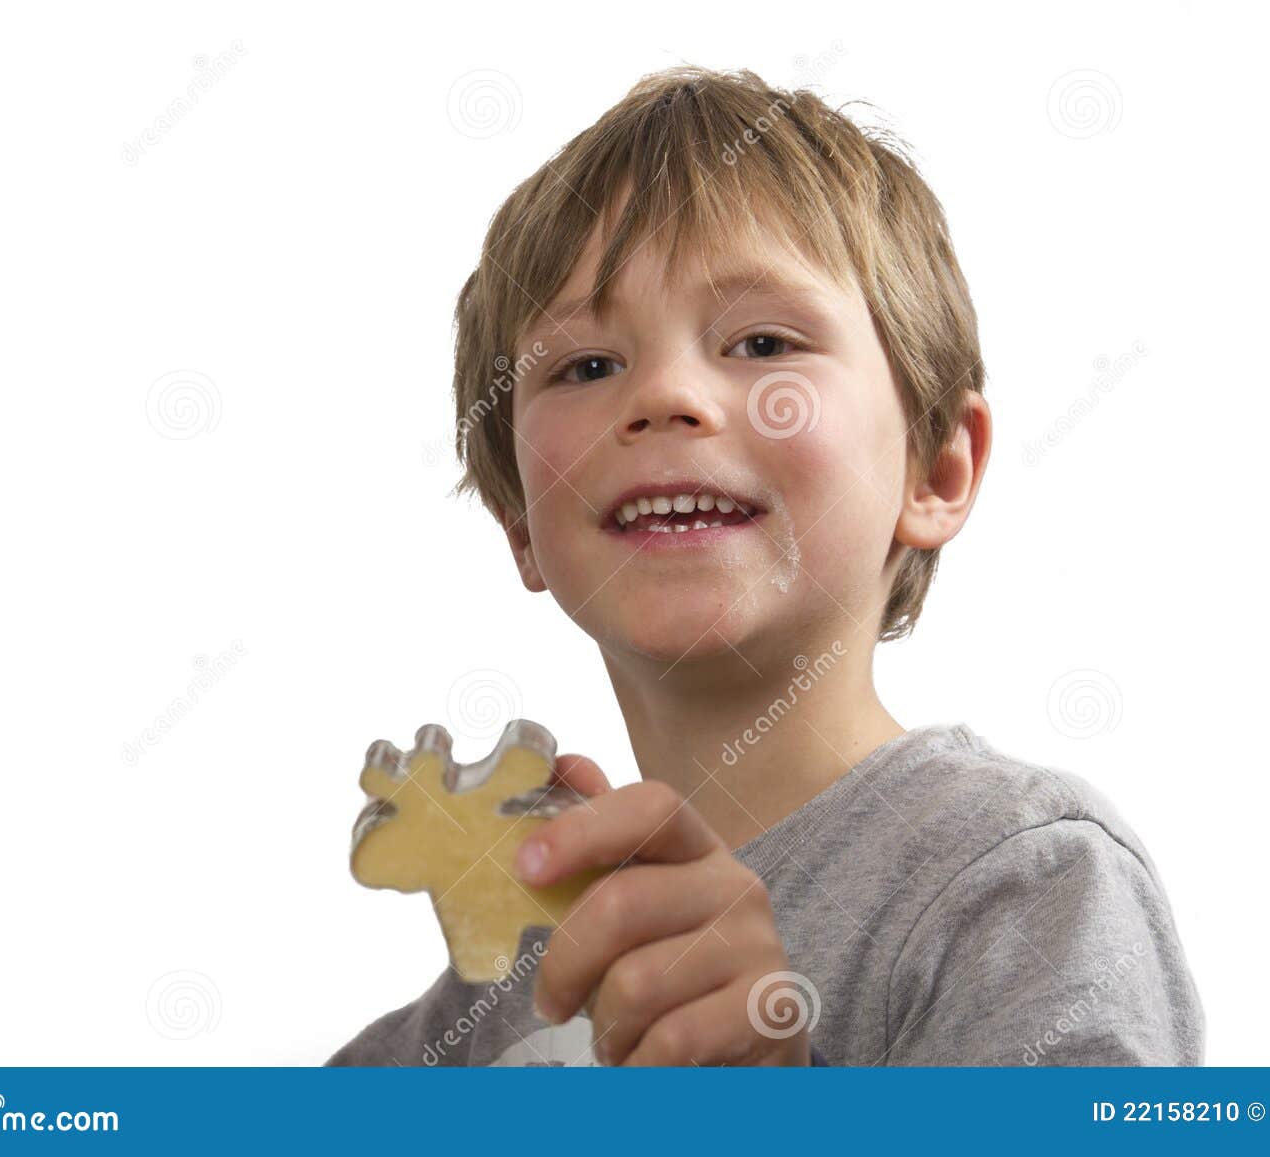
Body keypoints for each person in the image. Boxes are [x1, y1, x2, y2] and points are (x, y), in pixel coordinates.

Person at [328, 65, 1204, 1067]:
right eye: (586, 364)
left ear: (936, 466)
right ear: (518, 519)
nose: (663, 394)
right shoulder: (464, 1024)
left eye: (759, 340)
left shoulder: (1018, 879)